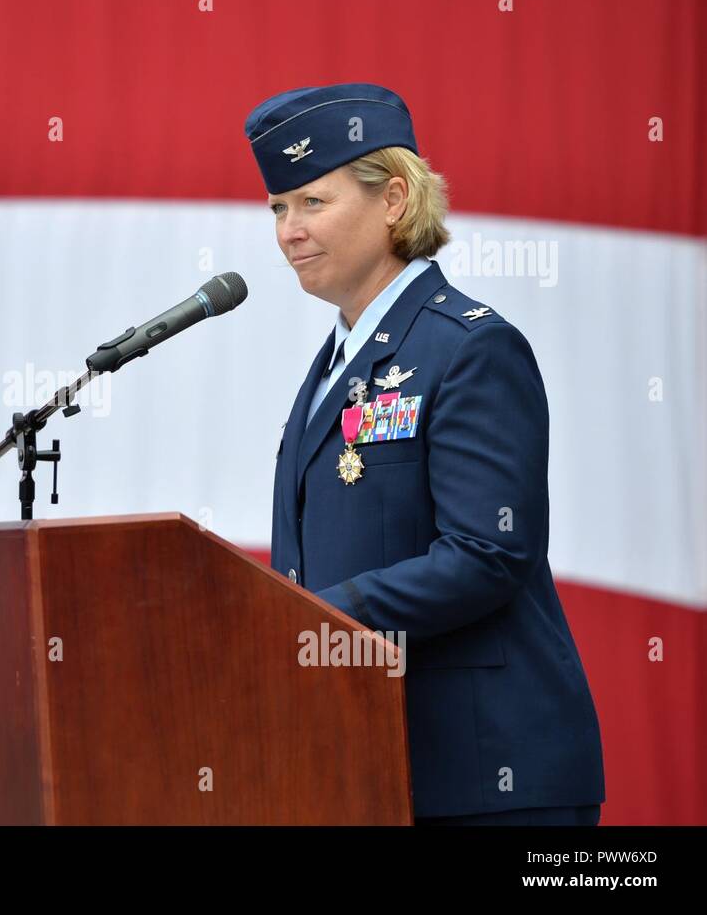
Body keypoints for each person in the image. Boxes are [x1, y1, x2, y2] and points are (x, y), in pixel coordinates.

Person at [245, 82, 605, 825]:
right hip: (370, 764)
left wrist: (310, 620)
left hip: (484, 773)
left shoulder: (470, 347)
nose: (289, 230)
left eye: (313, 201)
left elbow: (487, 552)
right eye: (279, 209)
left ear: (396, 199)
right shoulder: (334, 366)